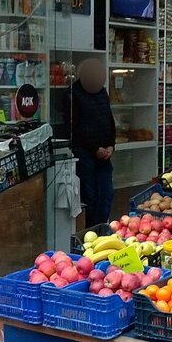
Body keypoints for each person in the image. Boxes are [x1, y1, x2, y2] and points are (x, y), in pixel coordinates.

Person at [67, 58, 116, 228]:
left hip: (104, 155)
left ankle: (101, 229)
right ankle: (90, 233)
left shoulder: (101, 92)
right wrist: (95, 148)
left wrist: (111, 145)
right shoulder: (73, 94)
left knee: (107, 194)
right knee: (90, 197)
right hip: (85, 154)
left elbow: (109, 120)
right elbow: (75, 129)